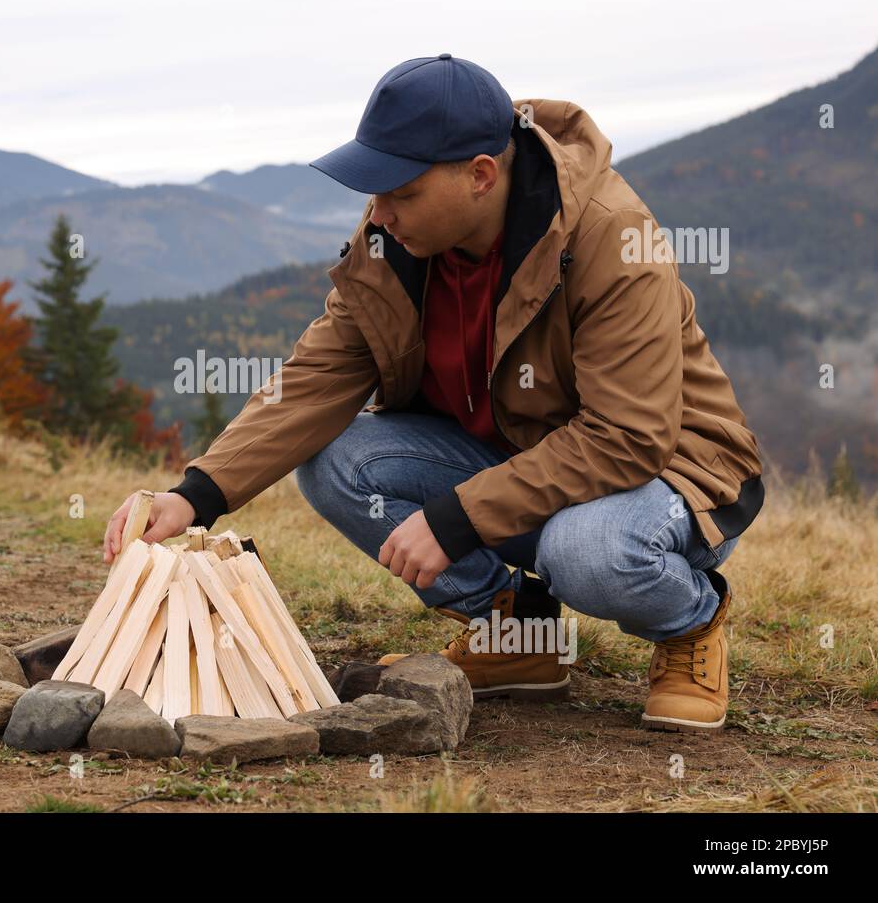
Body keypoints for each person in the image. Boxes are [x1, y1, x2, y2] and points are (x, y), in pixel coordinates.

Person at [102, 54, 765, 734]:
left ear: (480, 175)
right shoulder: (395, 241)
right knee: (337, 460)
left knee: (584, 552)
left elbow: (628, 436)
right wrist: (195, 494)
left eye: (400, 192)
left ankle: (691, 622)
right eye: (376, 189)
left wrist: (457, 518)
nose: (379, 213)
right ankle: (519, 635)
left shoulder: (611, 236)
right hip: (521, 464)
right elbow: (317, 376)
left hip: (670, 476)